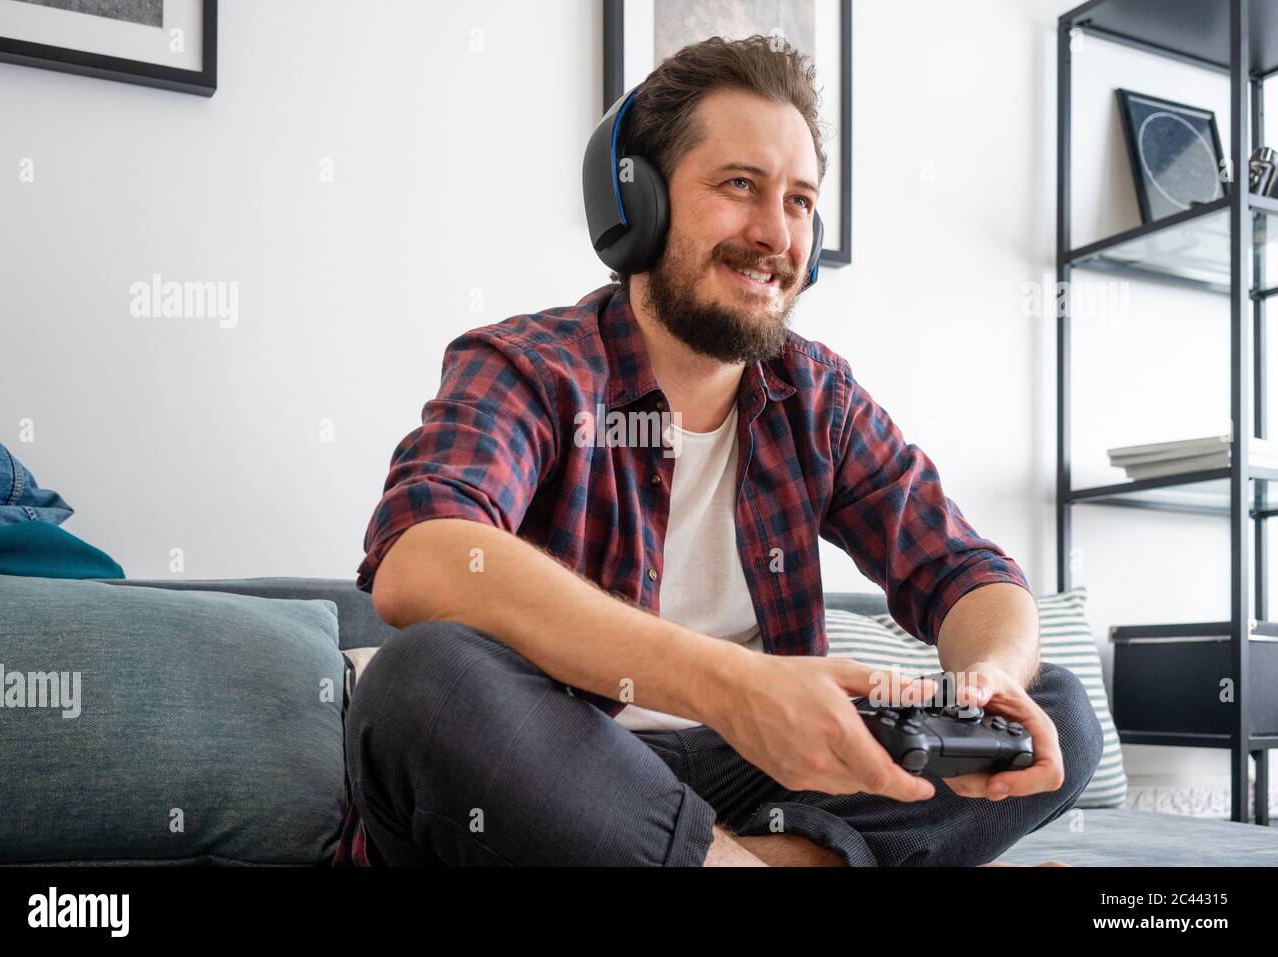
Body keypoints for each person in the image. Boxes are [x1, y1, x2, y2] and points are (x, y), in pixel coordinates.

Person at [336, 35, 1103, 867]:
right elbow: (424, 557)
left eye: (801, 201)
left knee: (1054, 705)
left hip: (760, 785)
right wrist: (735, 688)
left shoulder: (819, 398)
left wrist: (987, 679)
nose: (776, 233)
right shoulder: (531, 366)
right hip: (572, 770)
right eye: (741, 186)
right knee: (423, 682)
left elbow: (969, 574)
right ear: (638, 205)